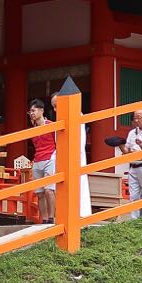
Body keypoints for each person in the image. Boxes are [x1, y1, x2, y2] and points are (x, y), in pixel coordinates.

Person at [51, 90, 92, 219]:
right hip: (63, 156)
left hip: (74, 155)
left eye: (56, 105)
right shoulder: (60, 118)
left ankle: (81, 214)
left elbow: (79, 140)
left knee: (78, 185)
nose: (55, 109)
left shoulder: (76, 115)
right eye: (53, 107)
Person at [28, 99, 55, 224]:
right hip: (37, 159)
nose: (31, 113)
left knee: (49, 190)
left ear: (41, 110)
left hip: (50, 158)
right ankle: (44, 219)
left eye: (33, 110)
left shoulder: (51, 125)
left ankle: (51, 218)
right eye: (30, 111)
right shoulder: (32, 129)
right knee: (39, 193)